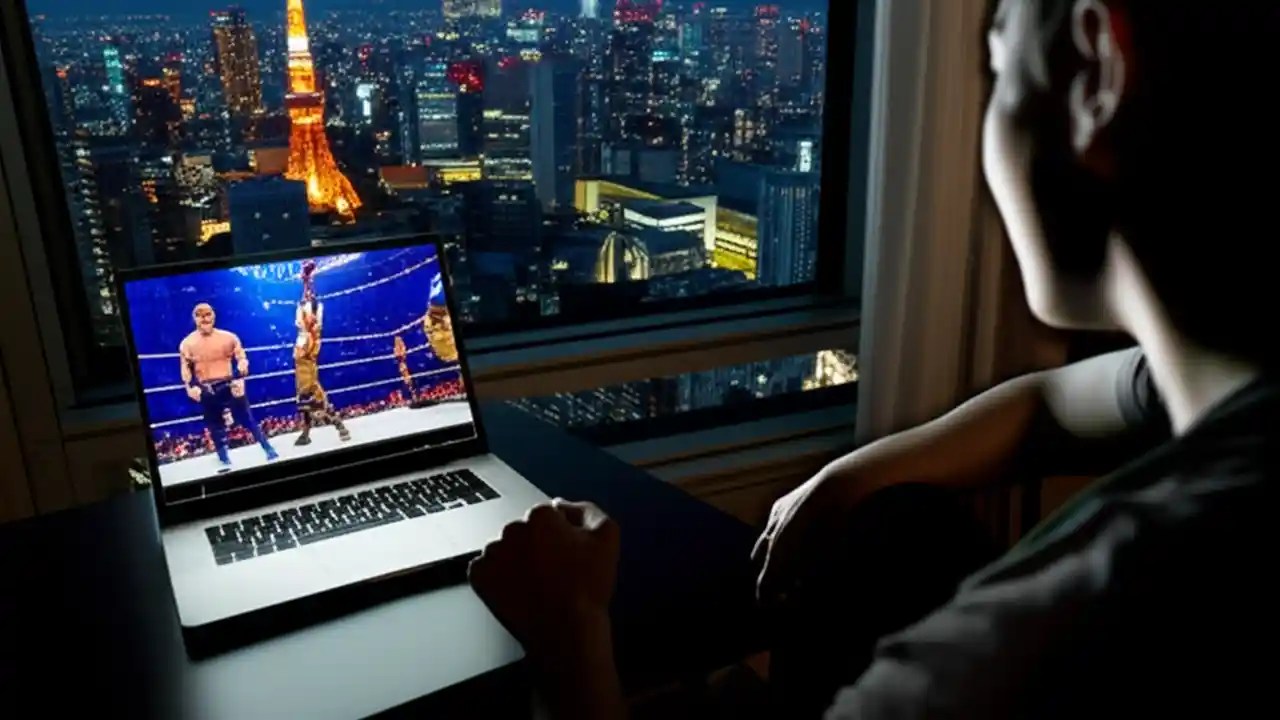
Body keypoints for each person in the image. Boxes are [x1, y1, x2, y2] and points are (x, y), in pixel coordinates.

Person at [467, 1, 1279, 717]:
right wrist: (846, 478)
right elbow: (1053, 405)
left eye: (995, 69)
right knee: (900, 527)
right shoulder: (1235, 373)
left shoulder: (1012, 657)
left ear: (1098, 75)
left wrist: (568, 633)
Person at [179, 303, 278, 472]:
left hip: (229, 384)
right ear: (194, 318)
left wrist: (242, 374)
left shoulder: (229, 337)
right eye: (199, 315)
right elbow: (185, 368)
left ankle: (267, 448)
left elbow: (242, 358)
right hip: (207, 388)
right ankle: (223, 457)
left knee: (247, 418)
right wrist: (189, 387)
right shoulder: (187, 343)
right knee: (214, 425)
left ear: (213, 316)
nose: (204, 318)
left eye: (207, 314)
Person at [294, 261, 351, 446]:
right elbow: (306, 302)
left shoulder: (312, 334)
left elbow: (309, 304)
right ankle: (311, 432)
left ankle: (334, 426)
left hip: (307, 370)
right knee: (307, 399)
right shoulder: (305, 332)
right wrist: (306, 280)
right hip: (303, 369)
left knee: (314, 399)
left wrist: (307, 279)